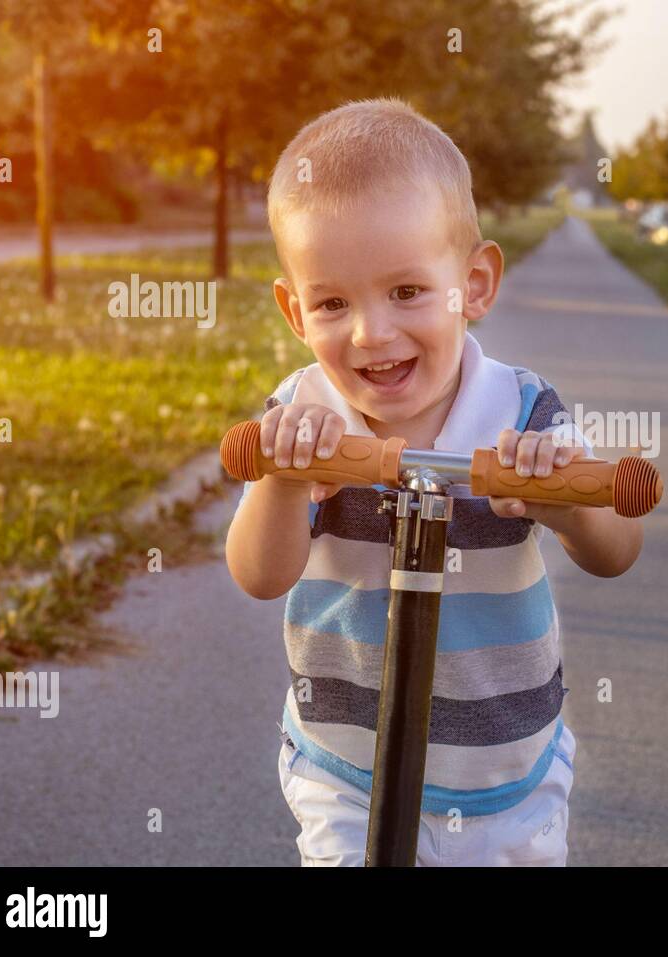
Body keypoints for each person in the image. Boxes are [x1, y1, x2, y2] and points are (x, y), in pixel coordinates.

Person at [224, 97, 644, 865]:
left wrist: (567, 507)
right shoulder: (303, 414)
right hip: (346, 768)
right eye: (332, 302)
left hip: (505, 773)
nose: (371, 333)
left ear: (474, 285)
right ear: (294, 311)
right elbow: (258, 575)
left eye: (407, 291)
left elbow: (617, 546)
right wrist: (283, 484)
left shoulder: (521, 412)